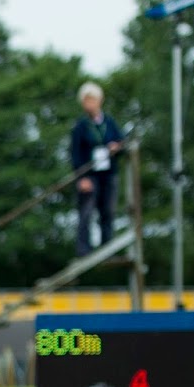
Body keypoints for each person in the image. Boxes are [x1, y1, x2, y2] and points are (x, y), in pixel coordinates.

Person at [69, 81, 124, 258]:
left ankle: (108, 248)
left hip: (108, 174)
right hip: (89, 175)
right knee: (86, 212)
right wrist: (81, 177)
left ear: (99, 100)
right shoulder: (80, 126)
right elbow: (75, 154)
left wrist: (117, 147)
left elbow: (122, 143)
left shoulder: (109, 122)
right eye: (86, 101)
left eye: (92, 100)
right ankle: (83, 250)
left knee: (108, 211)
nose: (89, 104)